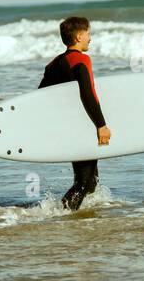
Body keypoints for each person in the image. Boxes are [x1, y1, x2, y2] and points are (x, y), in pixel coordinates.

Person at [39, 16, 110, 210]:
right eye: (88, 34)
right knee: (84, 182)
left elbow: (40, 95)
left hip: (66, 126)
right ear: (79, 36)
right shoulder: (80, 59)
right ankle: (63, 213)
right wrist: (101, 125)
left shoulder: (54, 64)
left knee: (91, 181)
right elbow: (88, 94)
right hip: (82, 125)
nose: (90, 38)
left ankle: (78, 217)